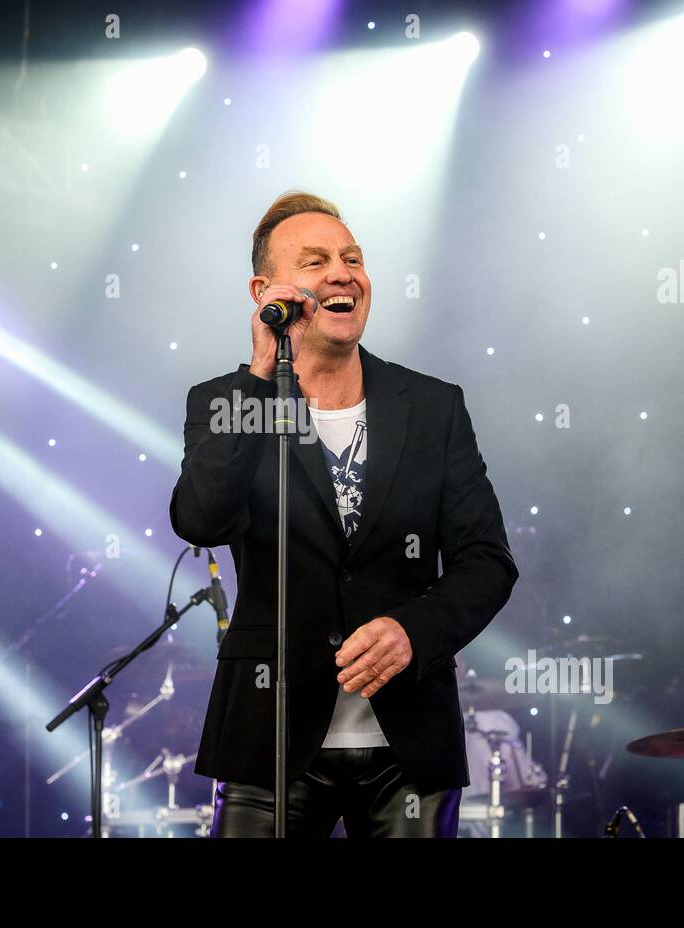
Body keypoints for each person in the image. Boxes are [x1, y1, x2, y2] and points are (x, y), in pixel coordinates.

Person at [169, 190, 518, 837]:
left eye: (352, 258)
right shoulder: (228, 400)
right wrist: (261, 375)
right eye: (315, 260)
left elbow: (487, 560)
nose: (341, 272)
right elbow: (201, 520)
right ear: (264, 290)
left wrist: (414, 630)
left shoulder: (431, 407)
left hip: (407, 746)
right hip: (268, 741)